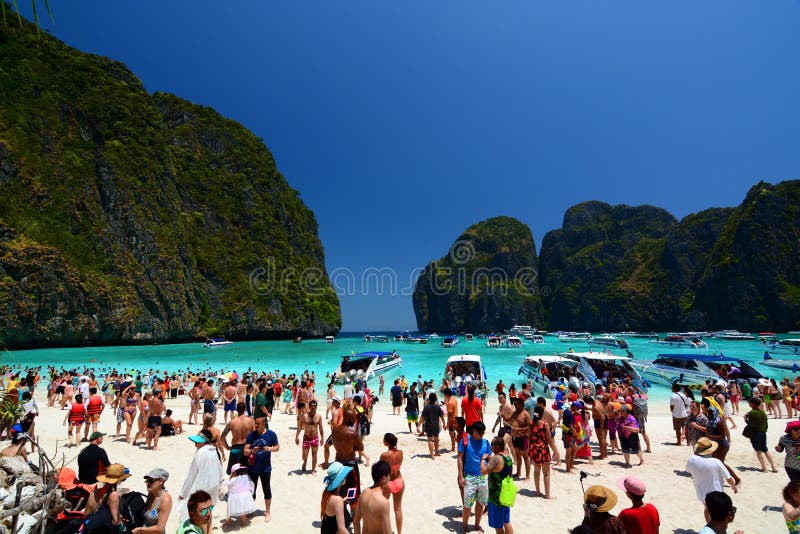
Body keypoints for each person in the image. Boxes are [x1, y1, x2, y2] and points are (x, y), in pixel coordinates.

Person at [178, 430, 224, 522]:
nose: (195, 443)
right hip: (213, 486)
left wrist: (183, 493)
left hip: (202, 487)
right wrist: (219, 485)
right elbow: (220, 469)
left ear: (205, 441)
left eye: (198, 441)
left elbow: (191, 474)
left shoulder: (200, 453)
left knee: (195, 513)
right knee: (208, 510)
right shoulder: (214, 451)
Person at [243, 417, 279, 522]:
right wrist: (251, 451)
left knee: (266, 489)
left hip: (265, 468)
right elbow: (245, 451)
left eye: (258, 423)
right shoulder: (251, 435)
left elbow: (277, 447)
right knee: (251, 490)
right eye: (255, 423)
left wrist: (270, 448)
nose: (256, 425)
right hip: (252, 468)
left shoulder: (271, 434)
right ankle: (250, 510)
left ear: (264, 424)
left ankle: (267, 512)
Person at [458, 421, 491, 534]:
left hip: (483, 477)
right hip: (469, 477)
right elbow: (459, 459)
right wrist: (461, 476)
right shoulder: (465, 442)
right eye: (480, 432)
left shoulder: (486, 443)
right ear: (473, 431)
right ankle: (465, 525)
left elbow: (489, 459)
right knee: (467, 505)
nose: (482, 434)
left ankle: (477, 525)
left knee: (480, 503)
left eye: (483, 432)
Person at [685, 437, 738, 503]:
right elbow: (728, 478)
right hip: (716, 493)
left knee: (706, 508)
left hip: (700, 492)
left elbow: (688, 470)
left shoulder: (692, 459)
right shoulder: (716, 462)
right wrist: (733, 486)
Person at [84, 463, 130, 533]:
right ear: (118, 480)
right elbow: (116, 521)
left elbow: (86, 513)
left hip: (91, 528)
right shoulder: (113, 495)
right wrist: (121, 519)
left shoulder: (94, 492)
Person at [482, 436, 513, 534]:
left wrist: (482, 460)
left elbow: (484, 471)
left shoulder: (496, 459)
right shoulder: (507, 457)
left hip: (496, 496)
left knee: (498, 527)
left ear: (498, 446)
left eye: (492, 444)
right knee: (506, 521)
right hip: (506, 493)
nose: (491, 446)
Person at [353, 461, 392, 534]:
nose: (390, 478)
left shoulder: (364, 493)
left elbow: (356, 521)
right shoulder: (384, 503)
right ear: (383, 478)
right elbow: (388, 532)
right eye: (389, 475)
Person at [131, 468, 172, 534]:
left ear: (161, 481)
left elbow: (159, 529)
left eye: (151, 480)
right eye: (147, 480)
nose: (147, 483)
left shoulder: (166, 500)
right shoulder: (151, 494)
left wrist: (139, 529)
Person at [744, 397, 778, 473]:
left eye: (750, 403)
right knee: (765, 450)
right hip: (763, 433)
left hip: (755, 433)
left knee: (758, 451)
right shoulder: (763, 412)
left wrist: (745, 419)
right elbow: (765, 424)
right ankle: (773, 467)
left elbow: (751, 424)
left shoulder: (752, 413)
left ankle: (764, 468)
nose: (749, 404)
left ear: (752, 404)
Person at [529, 406, 556, 499]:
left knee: (536, 470)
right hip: (543, 449)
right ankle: (547, 495)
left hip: (534, 449)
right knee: (546, 473)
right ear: (542, 414)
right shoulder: (545, 424)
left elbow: (529, 437)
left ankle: (537, 491)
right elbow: (549, 439)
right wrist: (555, 450)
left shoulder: (531, 423)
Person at [379, 433, 404, 534]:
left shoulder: (384, 455)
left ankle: (385, 531)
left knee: (383, 509)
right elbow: (398, 465)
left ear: (386, 442)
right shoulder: (401, 452)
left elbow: (380, 469)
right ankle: (399, 532)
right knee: (398, 509)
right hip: (399, 480)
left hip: (388, 483)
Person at [320, 462, 353, 534]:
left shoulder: (326, 492)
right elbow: (341, 529)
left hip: (325, 529)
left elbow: (330, 508)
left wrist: (342, 500)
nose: (346, 476)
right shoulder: (338, 500)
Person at [296, 399, 325, 473]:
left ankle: (313, 469)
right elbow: (300, 427)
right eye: (312, 406)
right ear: (309, 406)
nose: (313, 408)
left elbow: (321, 428)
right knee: (304, 455)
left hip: (315, 437)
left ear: (316, 407)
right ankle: (304, 462)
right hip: (306, 437)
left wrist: (322, 437)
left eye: (315, 407)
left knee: (314, 454)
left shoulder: (319, 416)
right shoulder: (305, 416)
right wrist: (297, 436)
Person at [508, 397, 532, 480]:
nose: (515, 406)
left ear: (521, 405)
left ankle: (527, 476)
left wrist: (518, 429)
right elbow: (508, 419)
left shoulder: (526, 414)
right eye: (514, 405)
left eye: (516, 405)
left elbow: (529, 427)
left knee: (525, 457)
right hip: (515, 437)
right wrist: (502, 414)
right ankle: (518, 473)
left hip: (523, 437)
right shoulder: (514, 412)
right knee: (517, 456)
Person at [419, 393, 446, 459]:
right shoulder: (438, 407)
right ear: (435, 399)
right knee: (436, 439)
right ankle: (436, 452)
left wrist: (418, 426)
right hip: (436, 425)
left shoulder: (426, 407)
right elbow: (442, 416)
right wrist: (444, 424)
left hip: (428, 426)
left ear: (429, 399)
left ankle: (432, 455)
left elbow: (422, 417)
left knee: (430, 440)